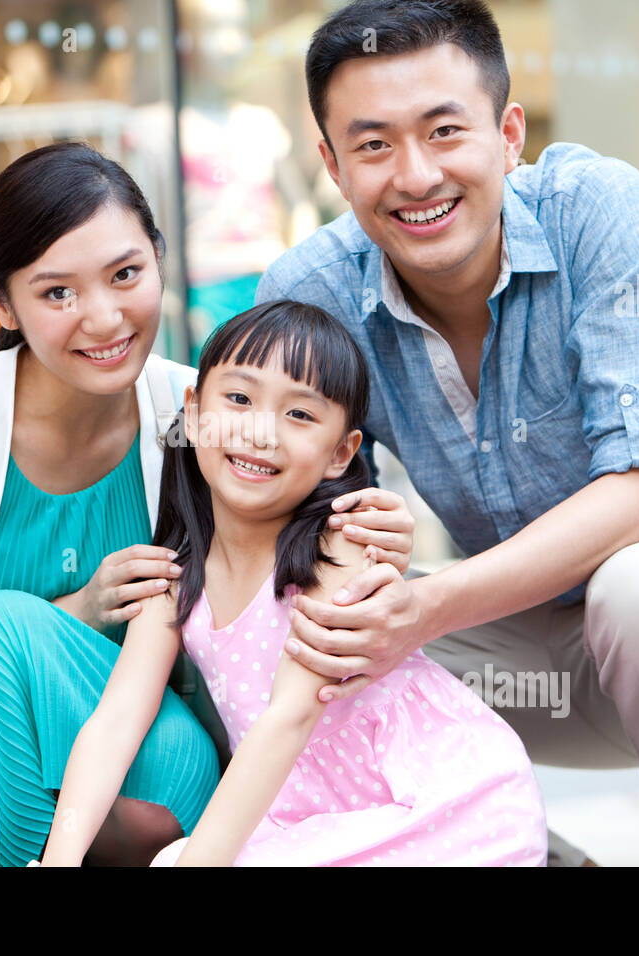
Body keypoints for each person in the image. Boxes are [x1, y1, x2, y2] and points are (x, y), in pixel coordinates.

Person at [255, 0, 639, 866]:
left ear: (508, 135)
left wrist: (424, 606)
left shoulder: (597, 210)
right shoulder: (313, 291)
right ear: (333, 166)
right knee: (304, 636)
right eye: (374, 144)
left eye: (444, 131)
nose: (416, 176)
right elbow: (290, 519)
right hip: (539, 648)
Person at [0, 143, 419, 866]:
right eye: (58, 293)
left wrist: (366, 516)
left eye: (125, 274)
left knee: (182, 753)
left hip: (120, 733)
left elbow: (294, 500)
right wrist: (75, 613)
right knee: (0, 628)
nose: (106, 318)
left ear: (159, 258)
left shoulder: (191, 408)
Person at [40, 300, 547, 866]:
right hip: (311, 824)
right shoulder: (175, 579)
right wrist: (59, 861)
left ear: (341, 453)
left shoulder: (339, 545)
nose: (261, 432)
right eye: (238, 399)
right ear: (195, 410)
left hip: (448, 806)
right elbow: (116, 722)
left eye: (300, 415)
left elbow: (291, 716)